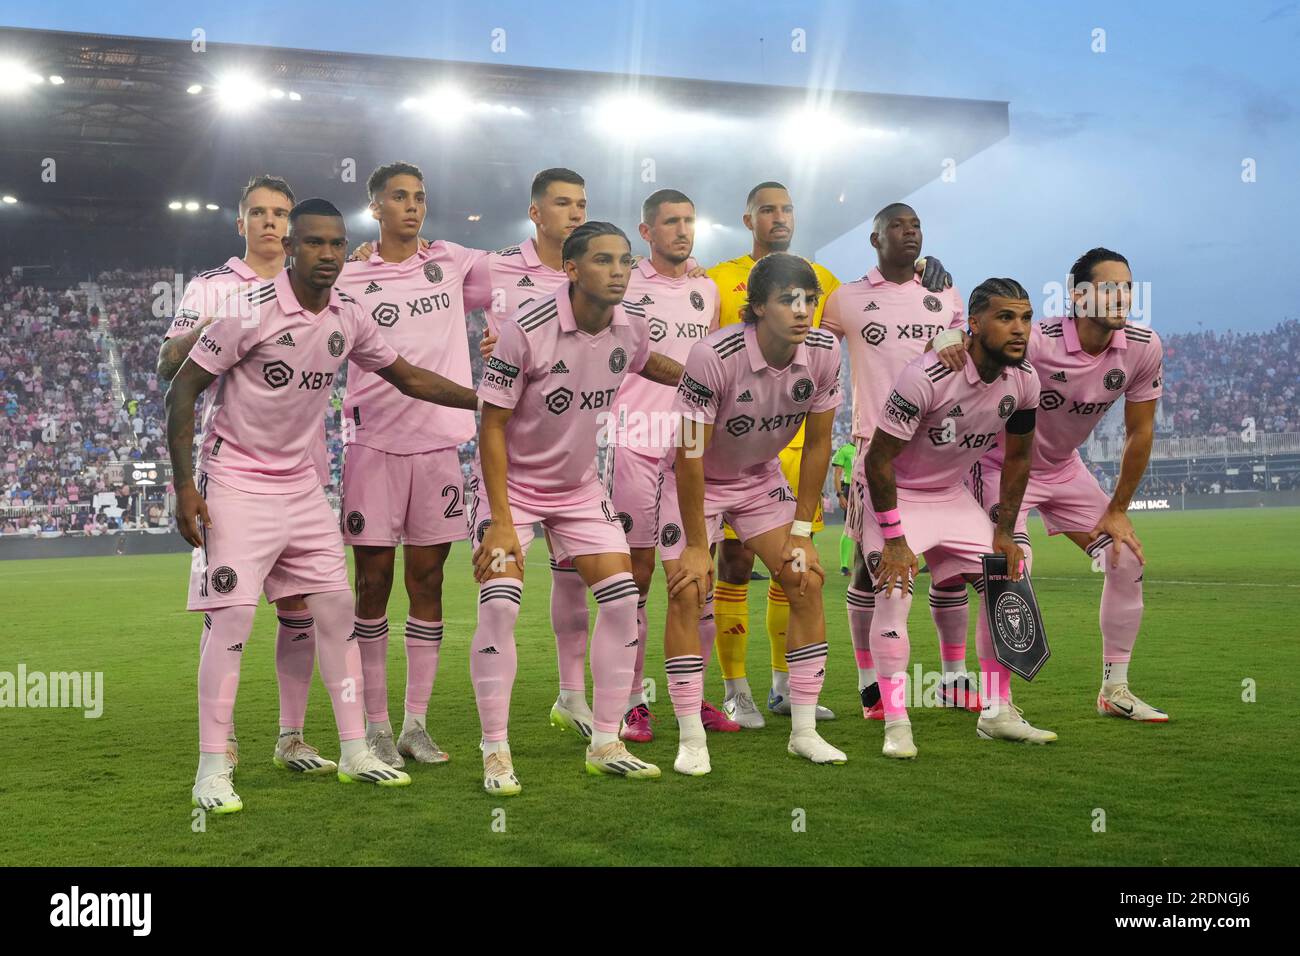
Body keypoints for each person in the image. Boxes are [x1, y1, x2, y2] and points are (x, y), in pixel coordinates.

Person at [166, 198, 479, 813]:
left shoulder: (348, 315)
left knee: (336, 612)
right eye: (314, 243)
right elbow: (182, 390)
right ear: (290, 248)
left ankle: (356, 748)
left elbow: (409, 376)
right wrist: (185, 485)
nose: (328, 254)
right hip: (236, 484)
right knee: (231, 623)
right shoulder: (245, 312)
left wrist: (488, 401)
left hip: (303, 487)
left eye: (337, 243)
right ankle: (211, 768)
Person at [468, 221, 685, 795]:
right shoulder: (524, 331)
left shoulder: (628, 327)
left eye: (626, 261)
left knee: (622, 604)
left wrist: (701, 380)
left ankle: (606, 741)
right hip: (510, 488)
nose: (619, 271)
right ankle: (495, 751)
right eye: (605, 261)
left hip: (580, 491)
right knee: (501, 605)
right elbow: (490, 425)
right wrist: (501, 521)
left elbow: (650, 361)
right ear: (571, 269)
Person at [935, 248, 1167, 721]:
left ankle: (1114, 690)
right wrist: (945, 336)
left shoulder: (1144, 347)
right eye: (1108, 287)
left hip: (1064, 469)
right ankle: (996, 708)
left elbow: (1140, 432)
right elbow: (973, 339)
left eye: (1127, 286)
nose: (1121, 296)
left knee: (1125, 559)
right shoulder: (1039, 341)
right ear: (1078, 296)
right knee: (1007, 570)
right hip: (1002, 466)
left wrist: (1117, 509)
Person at [156, 175, 331, 777]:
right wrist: (237, 320)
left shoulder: (318, 280)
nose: (270, 222)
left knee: (301, 608)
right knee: (228, 611)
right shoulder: (215, 287)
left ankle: (292, 736)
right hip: (235, 471)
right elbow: (167, 363)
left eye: (280, 213)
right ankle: (221, 741)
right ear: (241, 224)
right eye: (257, 212)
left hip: (306, 469)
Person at [657, 252, 847, 774]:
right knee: (690, 590)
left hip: (760, 477)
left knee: (804, 580)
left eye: (810, 299)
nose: (803, 310)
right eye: (789, 299)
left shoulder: (827, 352)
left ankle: (804, 732)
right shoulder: (712, 355)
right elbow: (688, 453)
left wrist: (805, 531)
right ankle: (692, 739)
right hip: (695, 481)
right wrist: (699, 546)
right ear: (757, 306)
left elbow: (818, 445)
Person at [863, 277, 1053, 759]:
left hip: (951, 495)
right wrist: (894, 539)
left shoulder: (1025, 380)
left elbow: (1017, 459)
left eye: (1026, 318)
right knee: (894, 588)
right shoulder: (926, 375)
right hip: (897, 494)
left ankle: (997, 711)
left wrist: (1005, 533)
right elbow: (877, 461)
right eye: (1006, 317)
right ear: (973, 322)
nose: (1019, 329)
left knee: (1007, 576)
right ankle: (897, 723)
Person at [334, 161, 484, 767]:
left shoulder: (451, 260)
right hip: (372, 448)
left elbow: (532, 281)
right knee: (372, 585)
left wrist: (498, 338)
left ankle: (414, 724)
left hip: (439, 446)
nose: (413, 206)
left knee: (428, 582)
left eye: (420, 197)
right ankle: (373, 724)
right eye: (399, 197)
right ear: (375, 207)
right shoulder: (347, 275)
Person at [822, 202, 977, 719]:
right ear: (874, 239)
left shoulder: (943, 292)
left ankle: (954, 680)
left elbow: (966, 346)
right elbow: (815, 347)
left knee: (949, 573)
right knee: (875, 577)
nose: (909, 234)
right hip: (876, 448)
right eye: (897, 227)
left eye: (917, 227)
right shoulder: (845, 299)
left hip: (942, 450)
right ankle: (872, 687)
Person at [602, 188, 739, 743]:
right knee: (635, 577)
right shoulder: (623, 282)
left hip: (690, 451)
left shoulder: (707, 289)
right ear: (646, 231)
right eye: (671, 223)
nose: (683, 231)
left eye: (689, 221)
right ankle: (633, 704)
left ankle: (694, 695)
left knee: (695, 576)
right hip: (635, 443)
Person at [830, 439, 855, 575]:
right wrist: (840, 494)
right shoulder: (844, 450)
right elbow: (837, 474)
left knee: (869, 527)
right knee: (849, 527)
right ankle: (844, 566)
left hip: (868, 489)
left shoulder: (870, 446)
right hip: (850, 489)